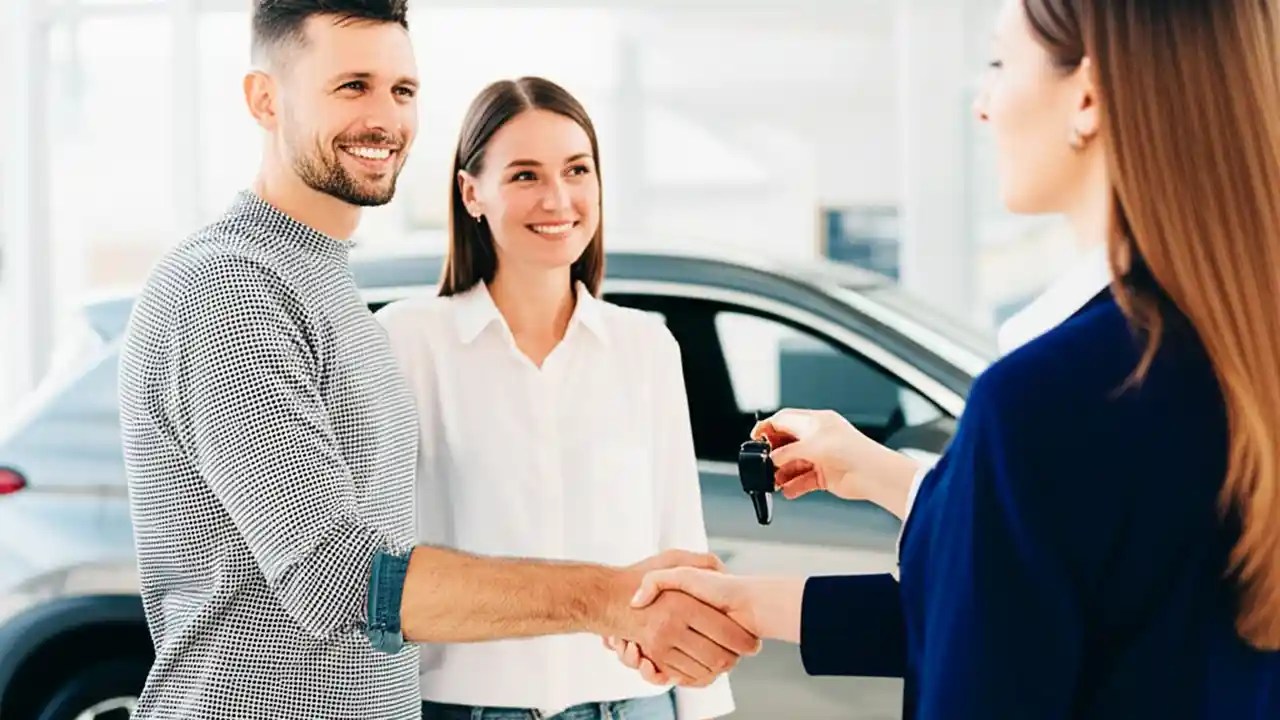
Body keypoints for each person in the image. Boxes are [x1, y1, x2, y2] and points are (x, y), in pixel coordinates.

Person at [611, 0, 1280, 717]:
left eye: (998, 64)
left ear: (1088, 97)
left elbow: (996, 644)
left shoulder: (1045, 400)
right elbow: (1056, 613)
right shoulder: (1234, 358)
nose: (982, 106)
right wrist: (758, 595)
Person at [117, 3, 755, 719]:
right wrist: (612, 600)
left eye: (403, 90)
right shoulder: (230, 285)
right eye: (351, 85)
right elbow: (335, 575)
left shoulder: (325, 285)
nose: (385, 118)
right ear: (265, 100)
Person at [373, 77, 735, 720]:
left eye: (576, 170)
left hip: (632, 706)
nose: (558, 198)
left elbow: (681, 542)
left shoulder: (646, 346)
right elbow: (379, 566)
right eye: (524, 175)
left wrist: (701, 706)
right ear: (470, 193)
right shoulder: (409, 341)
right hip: (461, 708)